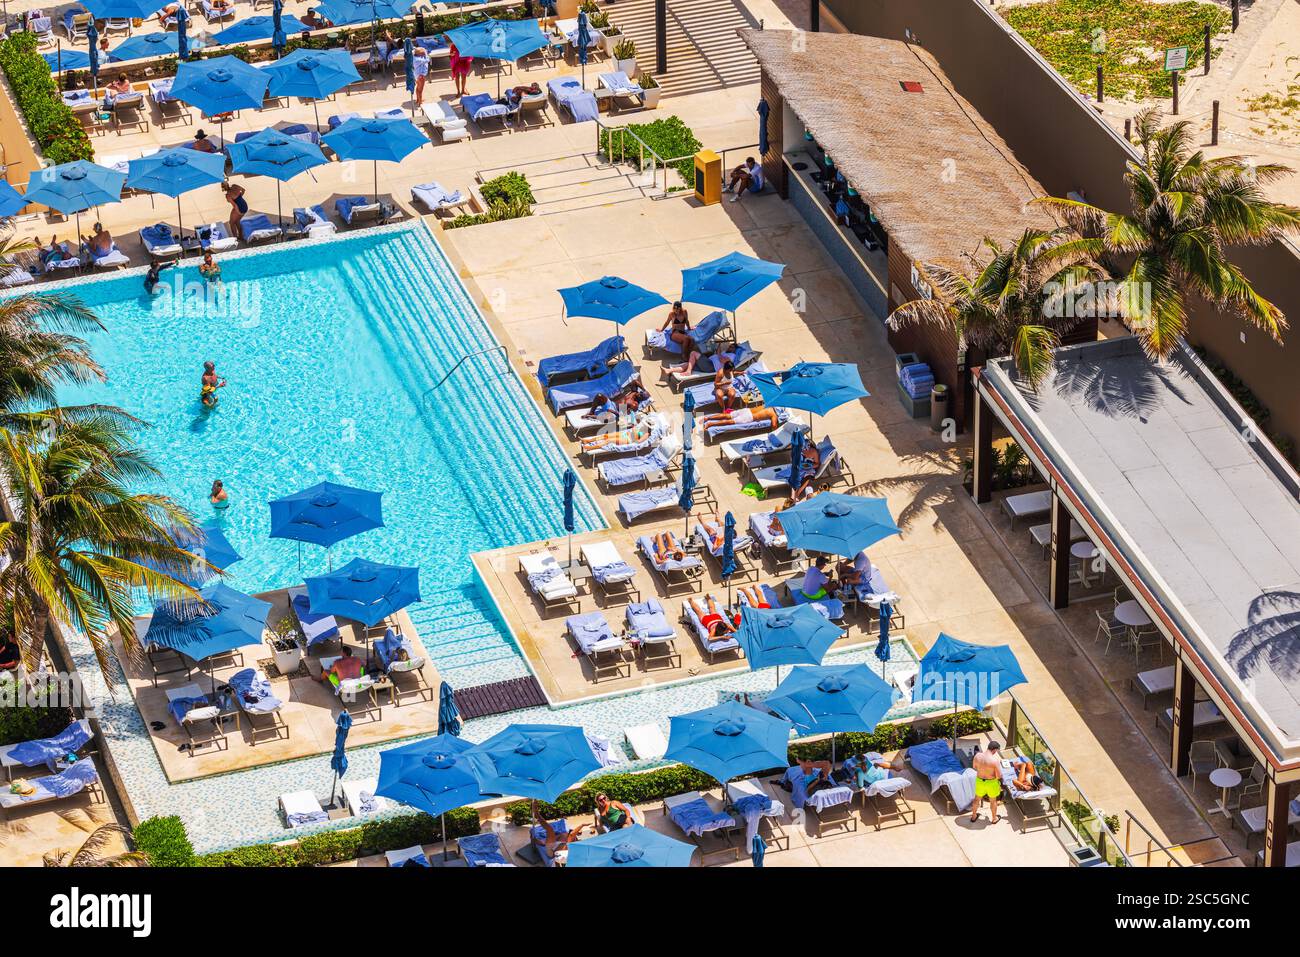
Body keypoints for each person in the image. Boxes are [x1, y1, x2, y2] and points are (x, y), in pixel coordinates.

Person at [531, 801, 588, 866]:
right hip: (557, 846)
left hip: (553, 853)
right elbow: (571, 835)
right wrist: (581, 825)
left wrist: (581, 826)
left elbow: (572, 835)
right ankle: (537, 814)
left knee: (550, 830)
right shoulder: (570, 843)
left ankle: (537, 814)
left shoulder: (572, 851)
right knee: (562, 834)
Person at [579, 415, 654, 453]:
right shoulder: (642, 427)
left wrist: (634, 431)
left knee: (609, 440)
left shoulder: (647, 434)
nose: (644, 424)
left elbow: (638, 441)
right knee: (606, 435)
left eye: (646, 424)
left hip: (628, 439)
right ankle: (588, 441)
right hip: (626, 434)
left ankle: (592, 448)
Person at [970, 741, 1003, 824]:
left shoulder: (977, 756)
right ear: (994, 750)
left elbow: (974, 767)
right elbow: (999, 776)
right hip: (991, 782)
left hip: (980, 780)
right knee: (993, 801)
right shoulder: (995, 761)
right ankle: (994, 818)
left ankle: (973, 816)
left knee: (977, 799)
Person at [699, 405, 780, 433]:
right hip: (749, 416)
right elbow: (773, 425)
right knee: (730, 422)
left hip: (747, 410)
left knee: (727, 415)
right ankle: (711, 424)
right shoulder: (773, 414)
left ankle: (707, 418)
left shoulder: (769, 404)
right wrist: (775, 431)